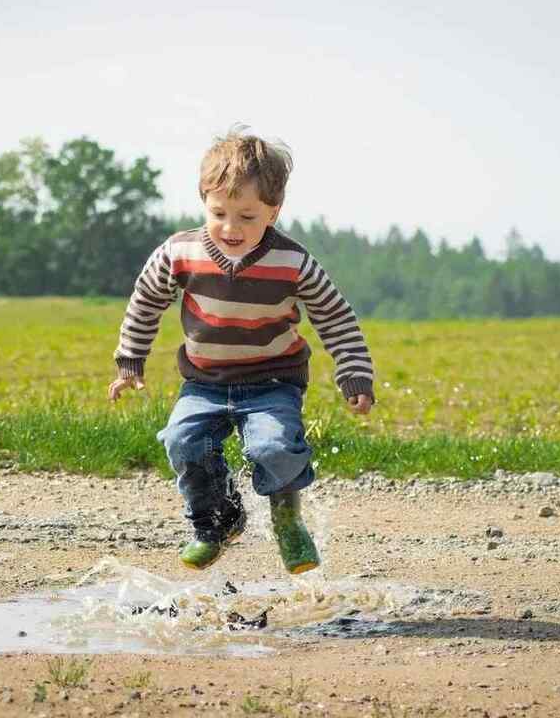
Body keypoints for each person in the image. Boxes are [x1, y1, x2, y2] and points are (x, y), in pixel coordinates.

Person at [109, 126, 375, 574]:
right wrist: (130, 360)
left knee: (273, 448)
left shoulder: (294, 263)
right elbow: (146, 300)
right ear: (204, 202)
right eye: (220, 213)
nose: (231, 228)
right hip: (204, 382)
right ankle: (218, 520)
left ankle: (287, 518)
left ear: (273, 211)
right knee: (183, 442)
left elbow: (335, 317)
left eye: (247, 217)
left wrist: (354, 374)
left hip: (273, 381)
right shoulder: (180, 252)